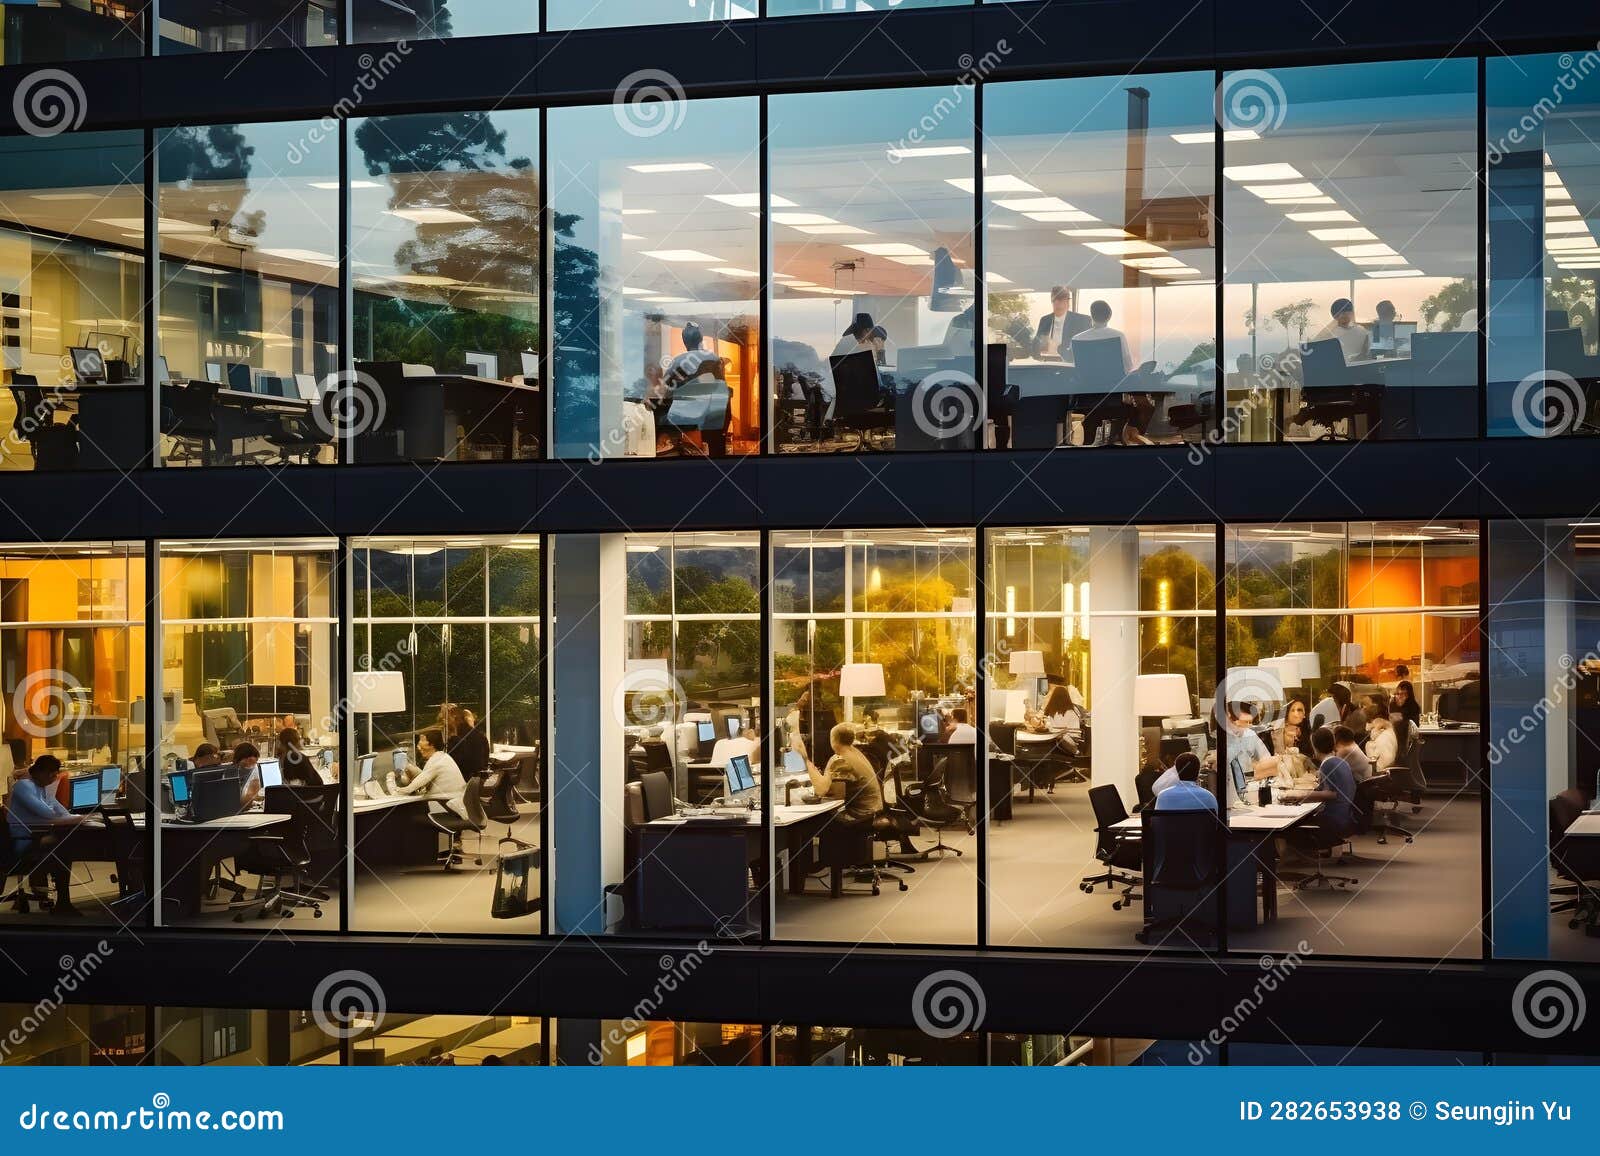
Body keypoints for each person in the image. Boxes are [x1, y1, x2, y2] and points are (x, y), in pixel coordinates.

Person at [4, 755, 84, 915]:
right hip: (22, 840)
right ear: (40, 772)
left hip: (36, 835)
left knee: (63, 846)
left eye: (55, 774)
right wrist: (72, 819)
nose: (54, 778)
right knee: (62, 847)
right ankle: (63, 903)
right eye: (51, 774)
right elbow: (46, 812)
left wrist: (77, 818)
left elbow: (59, 810)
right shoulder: (23, 786)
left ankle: (63, 902)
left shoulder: (41, 788)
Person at [793, 723, 881, 826]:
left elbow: (824, 792)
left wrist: (805, 758)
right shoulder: (855, 752)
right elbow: (829, 783)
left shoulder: (841, 760)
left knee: (808, 822)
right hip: (870, 812)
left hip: (858, 816)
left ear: (833, 739)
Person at [1283, 726, 1359, 841]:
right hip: (1345, 817)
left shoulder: (1328, 764)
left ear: (1314, 747)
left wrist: (1298, 795)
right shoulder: (1340, 761)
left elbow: (1332, 794)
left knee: (1289, 826)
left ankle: (1292, 858)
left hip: (1332, 819)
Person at [1209, 702, 1276, 809]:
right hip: (1224, 789)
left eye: (1250, 722)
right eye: (1244, 722)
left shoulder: (1250, 734)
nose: (1248, 726)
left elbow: (1266, 760)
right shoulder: (1216, 737)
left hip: (1249, 786)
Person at [389, 729, 467, 810]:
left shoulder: (437, 761)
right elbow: (426, 779)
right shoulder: (443, 757)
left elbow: (409, 789)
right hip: (452, 803)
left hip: (448, 806)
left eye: (422, 740)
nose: (418, 744)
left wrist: (391, 781)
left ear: (432, 744)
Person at [1033, 285, 1089, 359]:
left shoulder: (1082, 320)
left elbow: (1084, 349)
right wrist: (1040, 347)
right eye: (1054, 300)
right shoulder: (1045, 320)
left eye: (1060, 300)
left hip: (1070, 365)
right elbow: (1037, 345)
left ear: (1068, 302)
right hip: (1046, 363)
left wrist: (1058, 349)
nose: (1057, 304)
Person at [1312, 298, 1372, 362]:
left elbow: (1367, 352)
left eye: (1348, 312)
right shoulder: (1330, 335)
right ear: (1336, 316)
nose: (1346, 315)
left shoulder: (1362, 331)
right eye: (1343, 313)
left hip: (1358, 367)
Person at [443, 704, 491, 781]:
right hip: (477, 780)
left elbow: (457, 764)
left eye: (445, 719)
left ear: (454, 717)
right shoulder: (478, 735)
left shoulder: (459, 738)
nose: (444, 722)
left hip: (464, 781)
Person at [233, 741, 262, 809]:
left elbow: (253, 796)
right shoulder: (231, 773)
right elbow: (245, 801)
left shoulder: (253, 769)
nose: (255, 764)